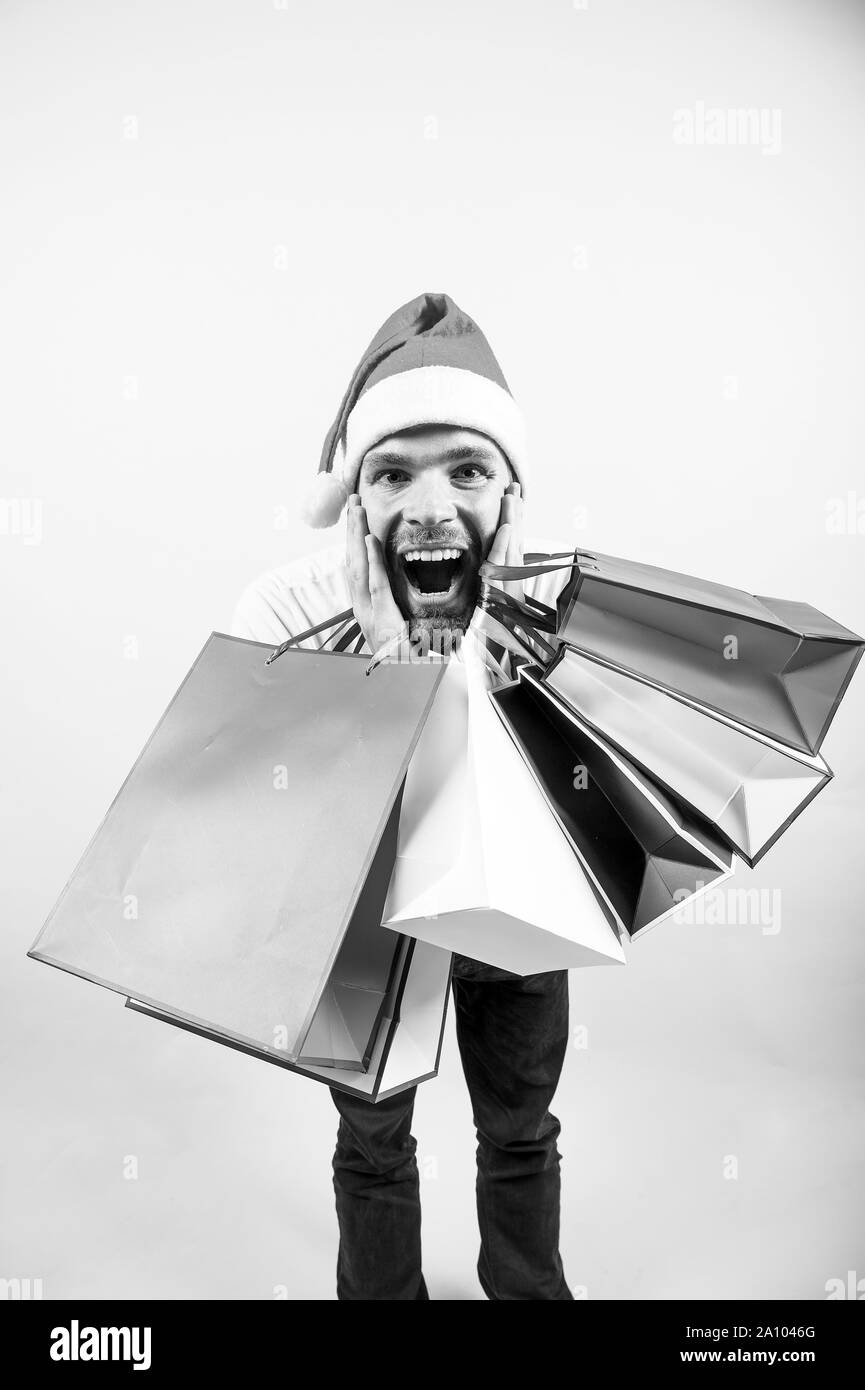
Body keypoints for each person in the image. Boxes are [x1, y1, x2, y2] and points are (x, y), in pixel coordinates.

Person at [232, 292, 574, 1301]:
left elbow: (579, 806)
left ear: (509, 495)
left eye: (466, 470)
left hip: (513, 909)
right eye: (393, 473)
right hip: (364, 924)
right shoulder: (286, 615)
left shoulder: (560, 611)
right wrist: (381, 673)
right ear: (353, 498)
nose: (430, 507)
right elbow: (269, 814)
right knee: (372, 1144)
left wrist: (506, 651)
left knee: (521, 1131)